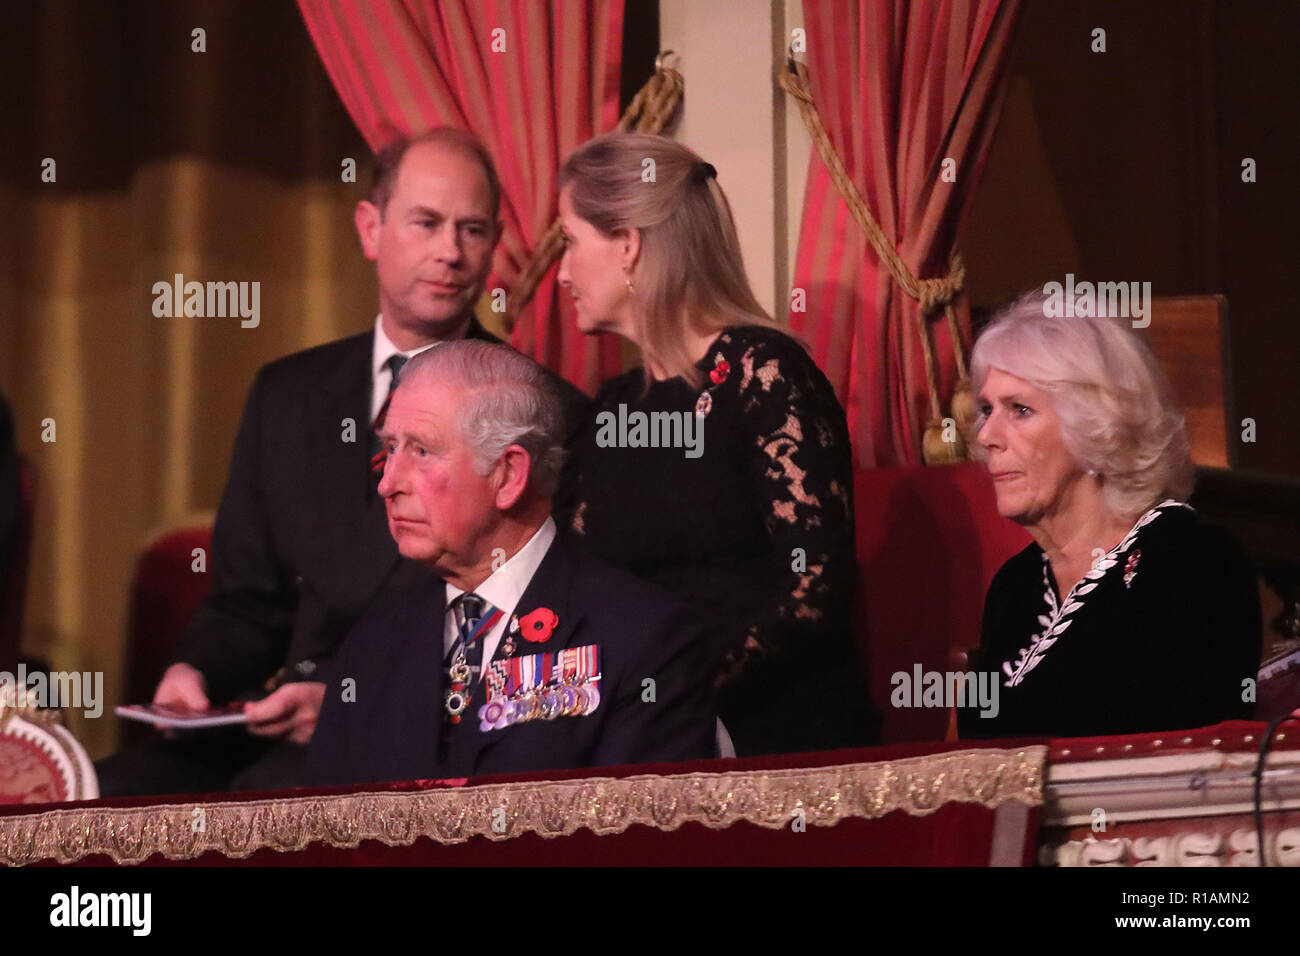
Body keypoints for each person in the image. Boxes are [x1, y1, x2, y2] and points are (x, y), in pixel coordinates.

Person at [97, 128, 587, 795]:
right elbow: (245, 602)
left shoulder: (545, 411)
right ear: (369, 229)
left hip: (421, 744)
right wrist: (196, 674)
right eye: (427, 223)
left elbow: (530, 639)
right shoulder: (287, 395)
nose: (450, 252)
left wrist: (355, 701)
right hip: (260, 724)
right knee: (98, 799)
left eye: (472, 230)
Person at [553, 132, 878, 757]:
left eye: (569, 241)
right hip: (642, 736)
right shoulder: (613, 404)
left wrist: (674, 692)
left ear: (627, 245)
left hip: (770, 733)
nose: (562, 271)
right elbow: (579, 593)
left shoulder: (764, 374)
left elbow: (815, 591)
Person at [304, 341, 716, 785]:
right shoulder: (371, 644)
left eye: (420, 451)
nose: (387, 483)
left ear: (508, 475)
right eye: (390, 448)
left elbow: (640, 844)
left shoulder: (644, 640)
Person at [959, 293, 1261, 739]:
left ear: (1098, 425)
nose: (986, 435)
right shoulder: (1015, 586)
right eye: (987, 410)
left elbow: (1192, 753)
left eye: (1019, 410)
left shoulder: (1189, 558)